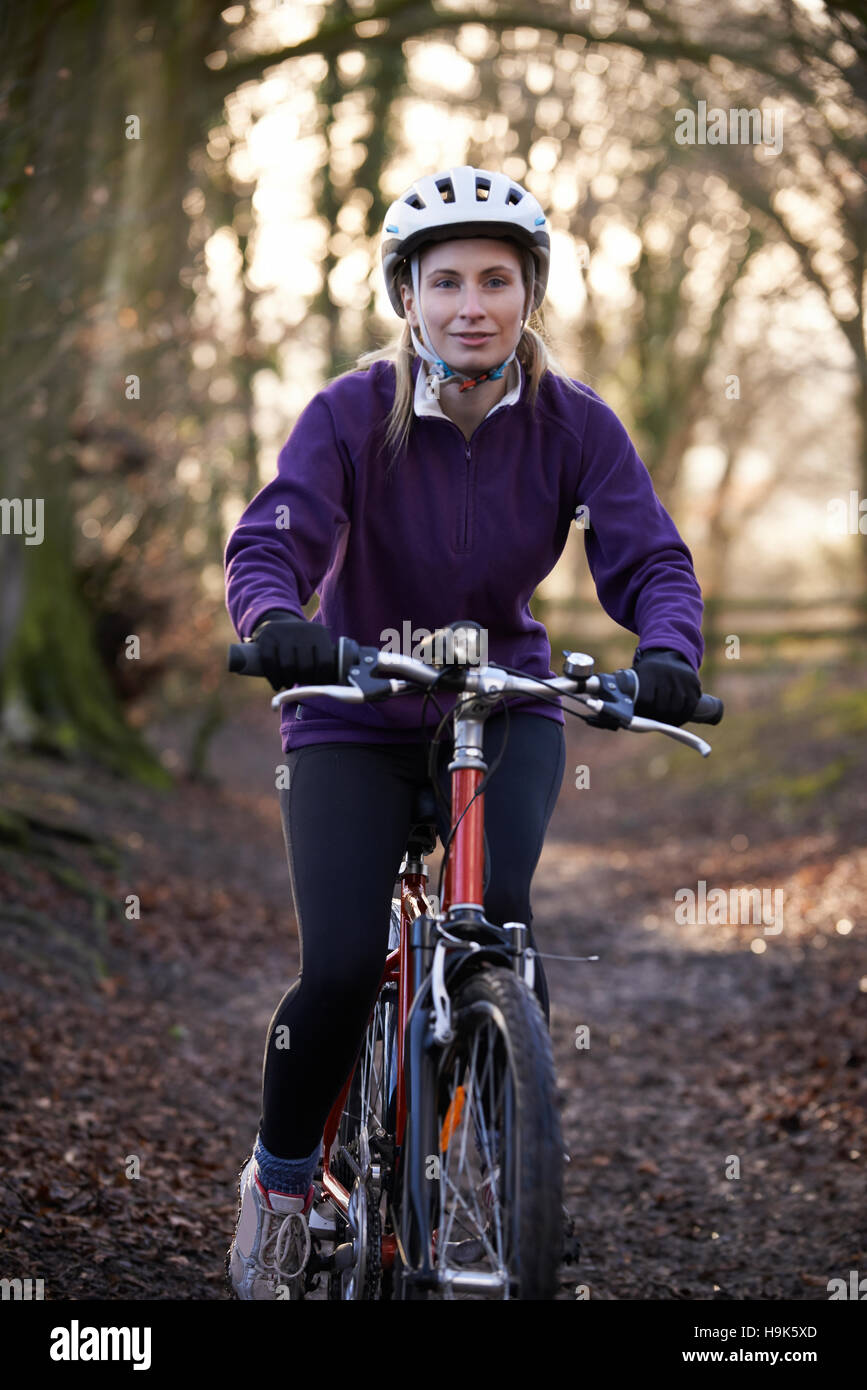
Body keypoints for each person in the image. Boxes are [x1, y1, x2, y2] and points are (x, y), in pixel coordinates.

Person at [224, 164, 704, 1298]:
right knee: (341, 965)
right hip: (352, 708)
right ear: (408, 296)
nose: (472, 304)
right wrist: (278, 622)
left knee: (502, 935)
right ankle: (282, 1184)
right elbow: (273, 537)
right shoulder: (351, 412)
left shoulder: (576, 422)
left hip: (506, 701)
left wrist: (671, 652)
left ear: (530, 292)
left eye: (497, 279)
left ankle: (504, 1154)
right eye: (447, 281)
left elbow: (649, 556)